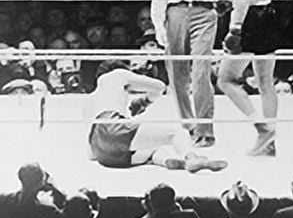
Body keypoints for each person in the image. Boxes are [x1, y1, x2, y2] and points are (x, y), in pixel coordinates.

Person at [199, 0, 281, 156]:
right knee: (265, 82)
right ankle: (270, 143)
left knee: (226, 80)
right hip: (270, 14)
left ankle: (262, 128)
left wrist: (235, 29)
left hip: (249, 20)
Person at [150, 0, 220, 148]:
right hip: (175, 13)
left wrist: (221, 1)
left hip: (203, 12)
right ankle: (189, 126)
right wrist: (158, 24)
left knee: (201, 73)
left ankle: (205, 130)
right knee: (177, 74)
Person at [85, 65, 227, 173]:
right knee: (175, 133)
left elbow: (90, 154)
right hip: (112, 126)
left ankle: (167, 161)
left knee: (152, 149)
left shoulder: (90, 99)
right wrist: (145, 101)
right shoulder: (116, 75)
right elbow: (159, 86)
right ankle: (191, 158)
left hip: (102, 153)